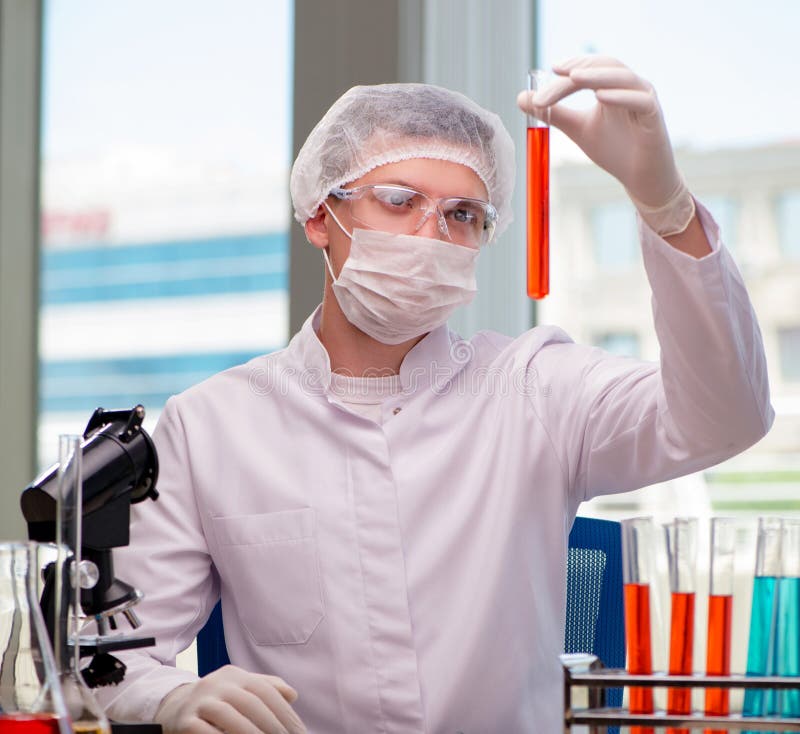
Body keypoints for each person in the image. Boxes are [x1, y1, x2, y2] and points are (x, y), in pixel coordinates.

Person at [94, 56, 773, 733]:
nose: (431, 234)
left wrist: (665, 205)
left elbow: (724, 416)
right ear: (320, 217)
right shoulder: (211, 428)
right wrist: (170, 699)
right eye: (399, 200)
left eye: (463, 214)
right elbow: (105, 655)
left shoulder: (536, 390)